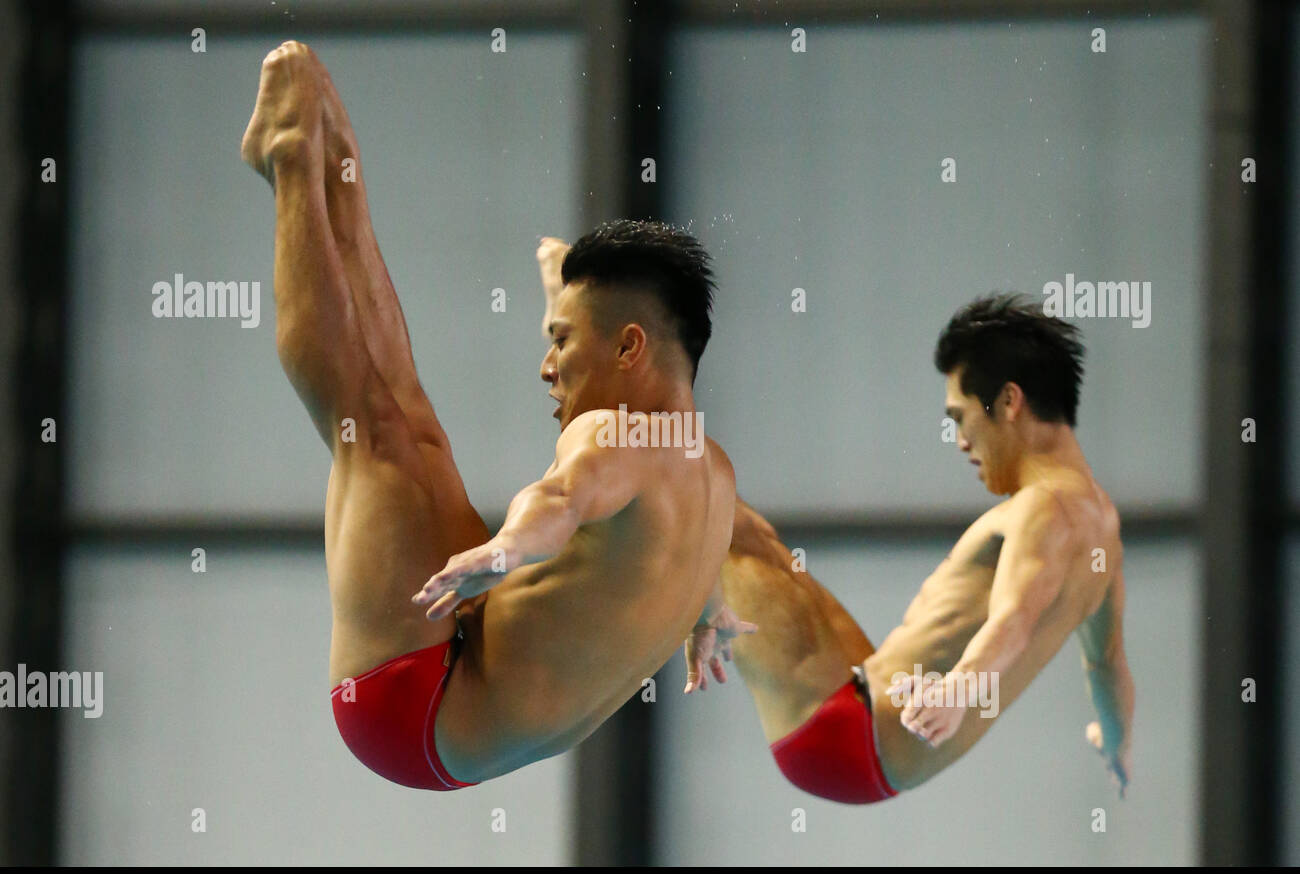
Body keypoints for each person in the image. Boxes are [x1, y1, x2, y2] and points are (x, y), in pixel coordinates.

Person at [241, 42, 741, 790]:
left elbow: (563, 499)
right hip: (469, 713)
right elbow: (652, 542)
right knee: (409, 421)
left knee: (374, 426)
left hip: (410, 702)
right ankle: (331, 153)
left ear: (631, 345)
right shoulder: (712, 473)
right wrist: (708, 615)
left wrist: (506, 548)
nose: (547, 366)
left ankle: (290, 159)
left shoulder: (611, 439)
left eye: (562, 342)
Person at [686, 295, 1135, 803]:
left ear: (1009, 402)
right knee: (756, 541)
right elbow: (1107, 665)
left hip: (845, 735)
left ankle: (611, 407)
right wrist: (1116, 743)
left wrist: (959, 691)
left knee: (710, 505)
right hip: (873, 727)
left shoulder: (1044, 509)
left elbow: (1013, 620)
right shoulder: (1103, 526)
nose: (961, 441)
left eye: (961, 417)